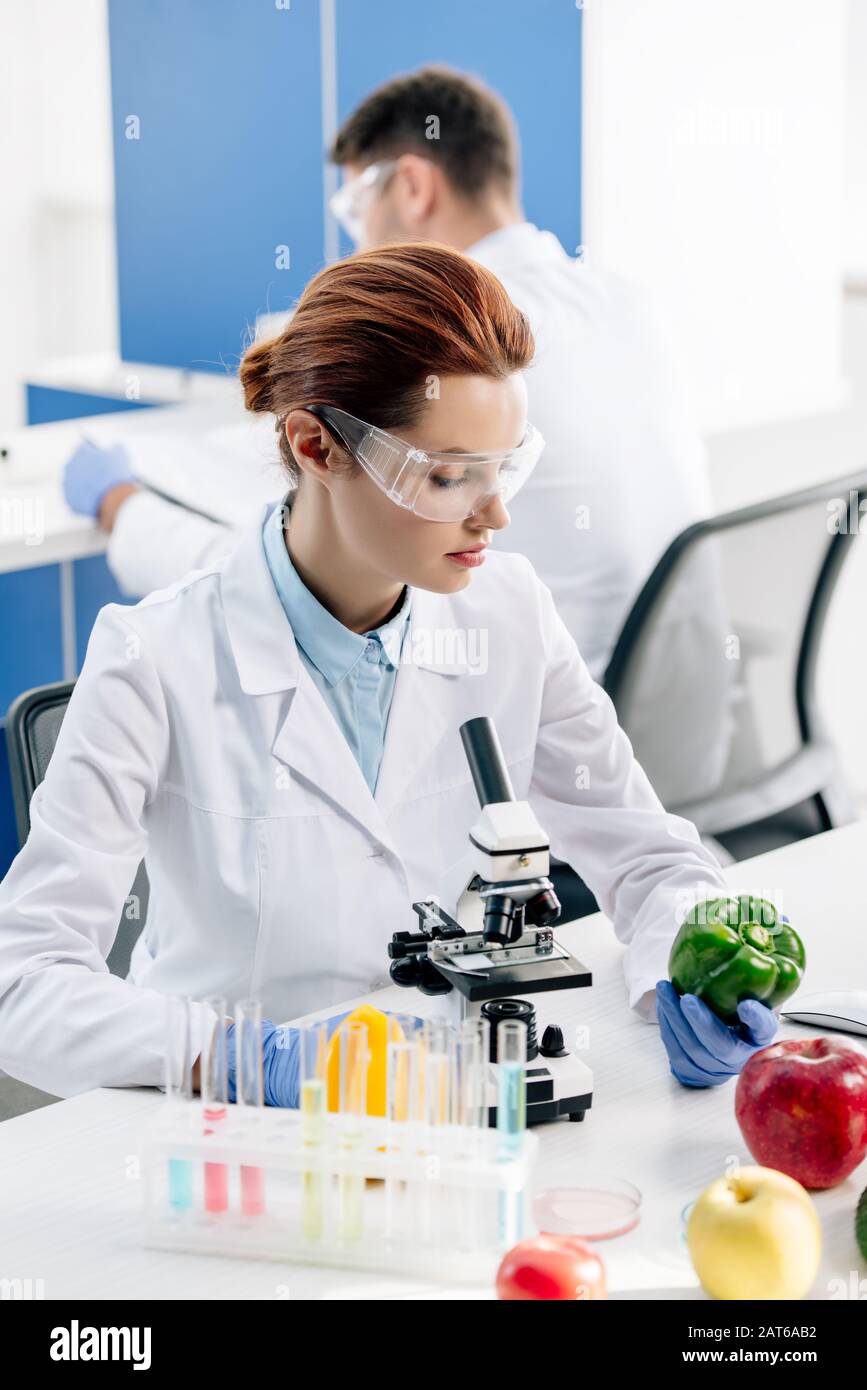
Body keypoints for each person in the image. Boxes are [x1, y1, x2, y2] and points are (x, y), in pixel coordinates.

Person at [5, 245, 775, 1102]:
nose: (495, 513)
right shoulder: (152, 659)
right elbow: (22, 985)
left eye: (504, 465)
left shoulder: (508, 611)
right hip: (230, 1137)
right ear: (315, 446)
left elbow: (647, 856)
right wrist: (241, 1058)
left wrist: (689, 963)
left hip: (449, 1105)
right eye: (449, 476)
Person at [64, 65, 712, 685]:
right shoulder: (626, 302)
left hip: (524, 744)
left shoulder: (454, 342)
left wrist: (123, 509)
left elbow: (285, 583)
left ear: (411, 186)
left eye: (354, 206)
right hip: (692, 738)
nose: (359, 242)